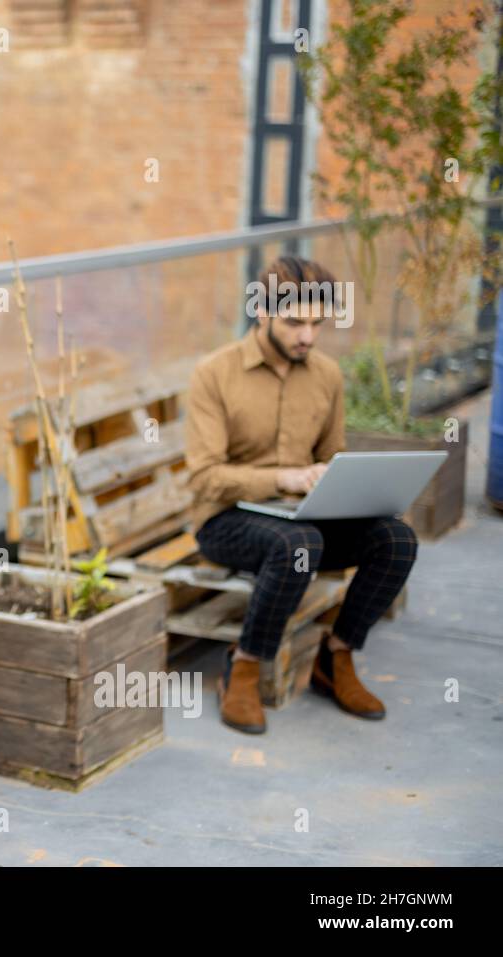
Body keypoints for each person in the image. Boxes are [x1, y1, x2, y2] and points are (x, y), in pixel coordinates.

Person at [185, 255, 419, 735]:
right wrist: (283, 479)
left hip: (305, 517)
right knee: (298, 545)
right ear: (262, 313)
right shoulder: (214, 373)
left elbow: (333, 456)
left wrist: (348, 488)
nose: (307, 336)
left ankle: (336, 657)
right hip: (226, 521)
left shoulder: (327, 375)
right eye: (294, 322)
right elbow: (205, 477)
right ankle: (245, 665)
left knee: (396, 539)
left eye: (317, 323)